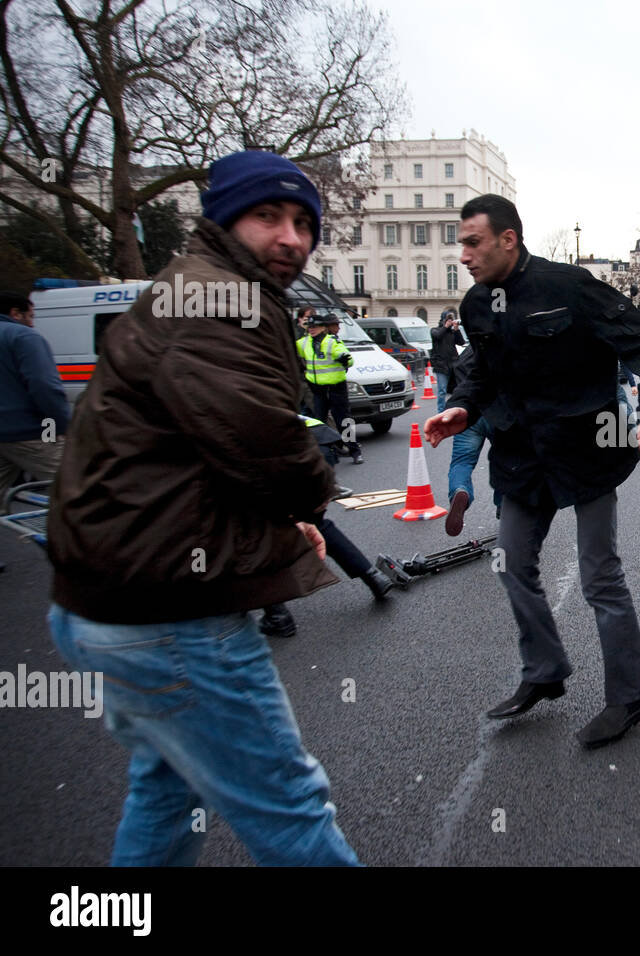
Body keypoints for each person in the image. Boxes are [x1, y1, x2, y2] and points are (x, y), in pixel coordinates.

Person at [45, 149, 358, 865]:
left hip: (103, 602)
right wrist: (309, 496)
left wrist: (285, 518)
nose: (292, 238)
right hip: (168, 614)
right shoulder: (223, 300)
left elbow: (203, 451)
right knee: (291, 808)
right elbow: (266, 443)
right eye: (268, 216)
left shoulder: (196, 287)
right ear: (223, 220)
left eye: (304, 222)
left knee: (164, 794)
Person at [423, 194, 640, 748]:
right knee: (511, 562)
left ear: (507, 239)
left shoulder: (569, 286)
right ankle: (544, 671)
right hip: (521, 455)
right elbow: (480, 370)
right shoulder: (475, 306)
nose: (463, 254)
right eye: (461, 243)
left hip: (587, 449)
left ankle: (627, 697)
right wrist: (463, 405)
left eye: (472, 241)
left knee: (599, 576)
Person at [259, 414, 395, 638]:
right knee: (316, 523)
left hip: (286, 453)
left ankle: (276, 615)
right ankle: (373, 576)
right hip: (319, 444)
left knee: (262, 531)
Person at [0, 291, 68, 502]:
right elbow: (44, 387)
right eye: (31, 316)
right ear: (16, 313)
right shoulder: (24, 336)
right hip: (32, 431)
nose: (32, 324)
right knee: (79, 486)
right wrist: (64, 425)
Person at [297, 313, 363, 464]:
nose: (312, 329)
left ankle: (355, 451)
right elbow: (290, 347)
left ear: (323, 328)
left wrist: (343, 358)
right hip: (317, 389)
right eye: (310, 327)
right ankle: (329, 452)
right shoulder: (304, 342)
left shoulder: (331, 342)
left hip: (336, 388)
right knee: (319, 422)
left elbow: (348, 358)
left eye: (315, 327)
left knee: (343, 420)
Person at [429, 307, 466, 412]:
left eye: (451, 318)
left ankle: (453, 410)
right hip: (441, 366)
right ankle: (440, 411)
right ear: (443, 319)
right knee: (442, 391)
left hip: (453, 365)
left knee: (456, 390)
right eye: (448, 318)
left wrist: (456, 329)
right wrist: (445, 326)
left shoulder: (452, 332)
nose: (450, 321)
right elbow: (438, 336)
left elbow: (461, 342)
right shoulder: (435, 330)